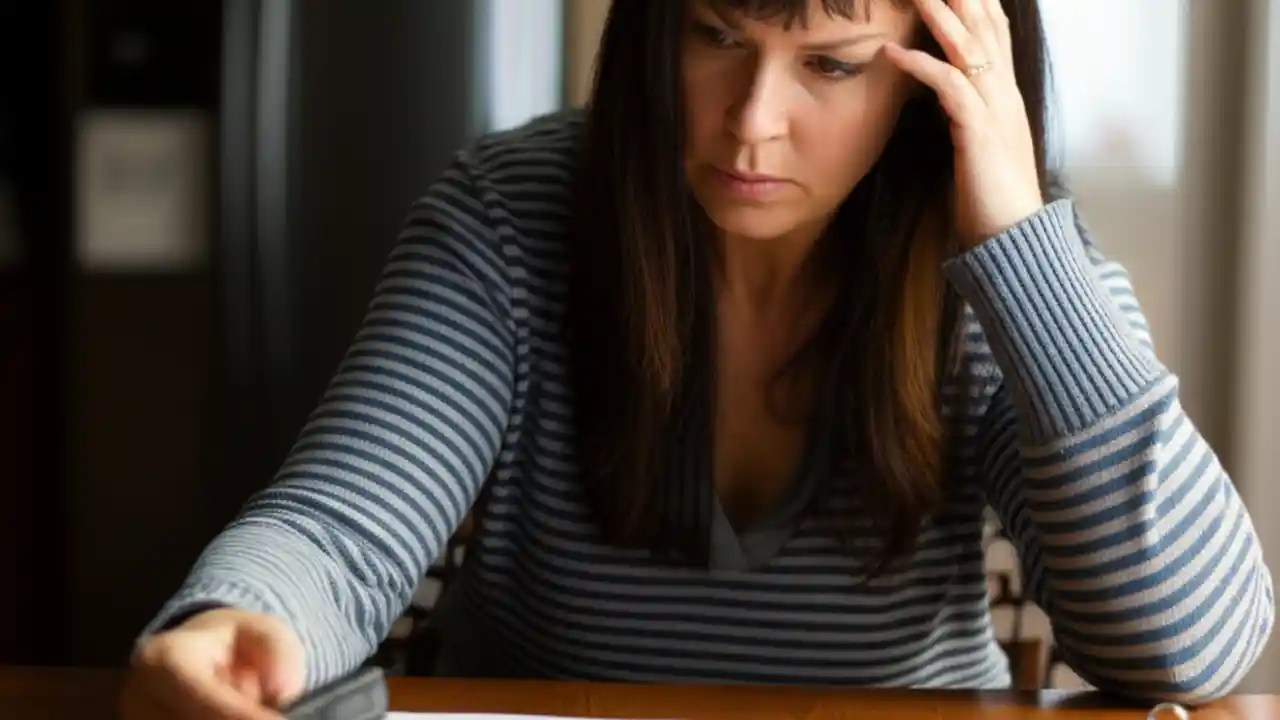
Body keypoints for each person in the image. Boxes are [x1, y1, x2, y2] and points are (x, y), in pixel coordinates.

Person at [121, 0, 1275, 717]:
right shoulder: (509, 216)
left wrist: (1019, 243)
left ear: (937, 73)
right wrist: (235, 623)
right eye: (716, 35)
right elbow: (340, 531)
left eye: (831, 64)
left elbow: (1190, 650)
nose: (749, 121)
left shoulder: (1000, 267)